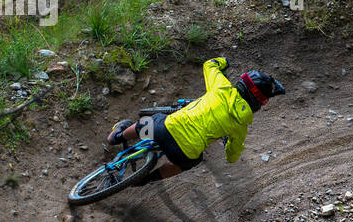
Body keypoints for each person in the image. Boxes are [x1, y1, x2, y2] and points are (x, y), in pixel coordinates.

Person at [106, 60, 285, 183]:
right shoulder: (241, 126)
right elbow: (232, 157)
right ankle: (144, 180)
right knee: (191, 162)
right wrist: (228, 147)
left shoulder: (221, 87)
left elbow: (210, 64)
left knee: (150, 123)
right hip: (183, 154)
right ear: (258, 104)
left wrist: (224, 62)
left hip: (166, 129)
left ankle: (117, 136)